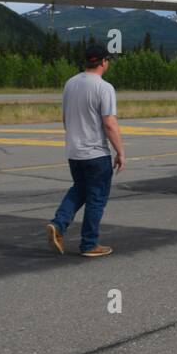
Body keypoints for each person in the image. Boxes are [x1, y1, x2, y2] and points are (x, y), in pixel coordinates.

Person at [46, 43, 125, 258]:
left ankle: (58, 224)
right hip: (96, 153)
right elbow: (109, 123)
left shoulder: (70, 84)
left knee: (79, 189)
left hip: (74, 151)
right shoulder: (104, 87)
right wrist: (120, 151)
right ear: (103, 62)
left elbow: (65, 118)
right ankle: (89, 243)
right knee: (96, 198)